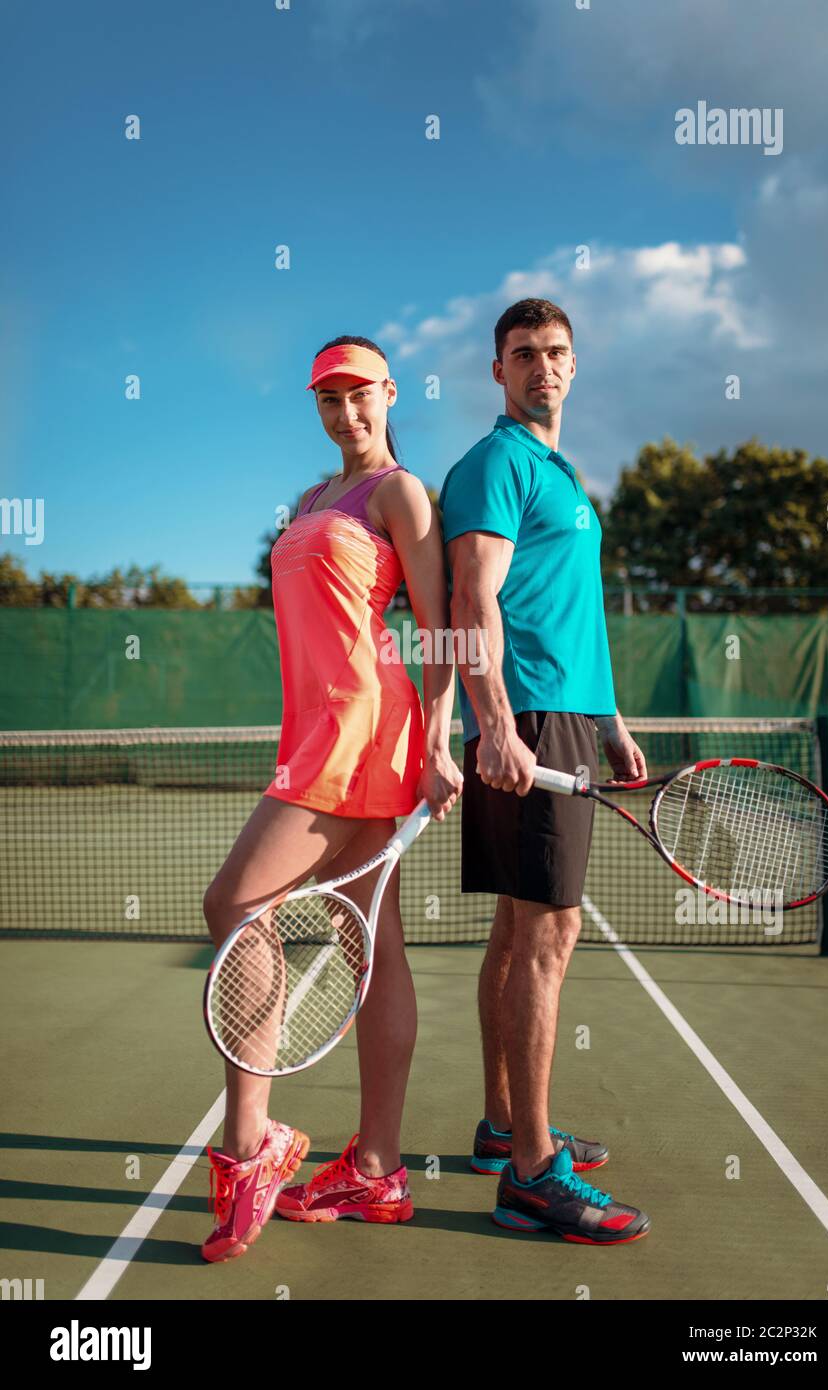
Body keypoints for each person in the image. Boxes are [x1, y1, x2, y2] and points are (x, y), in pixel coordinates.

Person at [201, 336, 462, 1261]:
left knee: (233, 905)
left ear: (390, 395)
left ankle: (252, 1143)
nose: (345, 413)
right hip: (314, 723)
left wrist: (437, 738)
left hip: (365, 723)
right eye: (328, 400)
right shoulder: (312, 500)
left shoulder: (401, 493)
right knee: (367, 937)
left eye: (360, 396)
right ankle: (380, 1171)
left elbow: (439, 630)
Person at [439, 298, 651, 1245]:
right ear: (498, 370)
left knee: (518, 927)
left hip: (562, 715)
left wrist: (607, 719)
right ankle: (530, 1171)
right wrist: (493, 725)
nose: (542, 367)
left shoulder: (561, 476)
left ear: (575, 365)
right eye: (522, 354)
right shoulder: (494, 464)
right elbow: (472, 599)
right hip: (522, 721)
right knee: (550, 935)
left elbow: (571, 609)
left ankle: (498, 1127)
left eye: (556, 353)